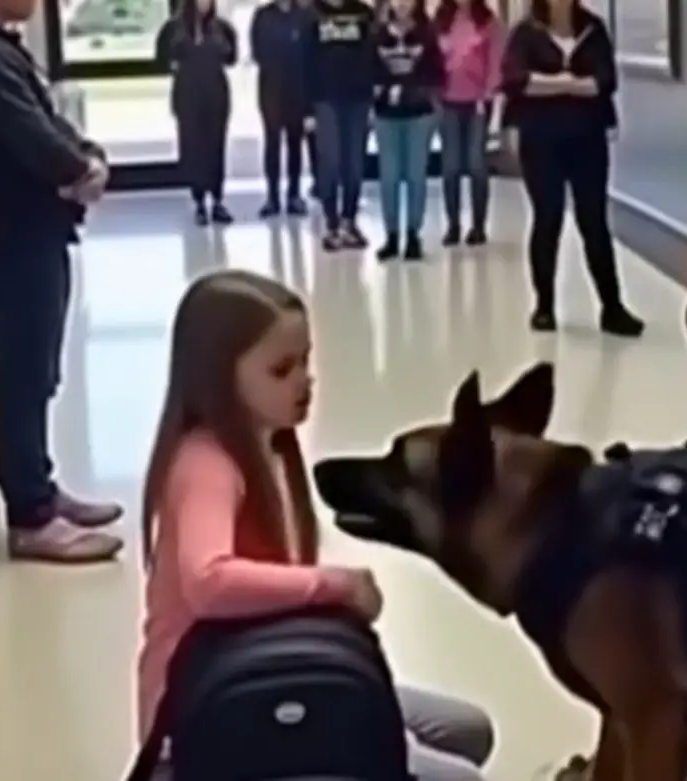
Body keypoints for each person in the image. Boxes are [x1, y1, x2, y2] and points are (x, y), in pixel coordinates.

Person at [138, 270, 495, 781]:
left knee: (467, 729)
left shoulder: (272, 447)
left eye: (306, 362)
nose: (304, 380)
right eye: (281, 369)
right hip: (203, 716)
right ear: (219, 378)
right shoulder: (207, 465)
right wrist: (334, 585)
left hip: (256, 670)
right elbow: (208, 581)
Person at [0, 0, 124, 563]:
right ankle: (31, 517)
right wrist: (79, 170)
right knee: (21, 378)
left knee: (37, 373)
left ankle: (40, 487)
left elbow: (53, 125)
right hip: (8, 239)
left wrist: (84, 158)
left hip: (25, 234)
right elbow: (40, 144)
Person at [500, 0, 643, 338]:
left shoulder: (593, 30)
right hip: (540, 141)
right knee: (547, 218)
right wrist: (573, 83)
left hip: (587, 140)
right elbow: (516, 80)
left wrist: (548, 83)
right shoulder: (526, 32)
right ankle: (545, 306)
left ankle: (612, 307)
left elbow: (605, 81)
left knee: (593, 222)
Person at [372, 0, 445, 261]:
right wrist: (381, 92)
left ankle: (413, 233)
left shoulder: (427, 33)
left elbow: (437, 74)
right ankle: (391, 235)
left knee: (416, 175)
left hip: (419, 114)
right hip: (385, 115)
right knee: (389, 177)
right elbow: (370, 71)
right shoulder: (377, 34)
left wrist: (413, 91)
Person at [155, 0, 238, 225]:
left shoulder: (222, 28)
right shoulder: (173, 29)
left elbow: (232, 57)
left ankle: (218, 199)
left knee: (216, 146)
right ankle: (199, 200)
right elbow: (162, 58)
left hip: (216, 94)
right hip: (188, 95)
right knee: (193, 147)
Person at [434, 0, 504, 247]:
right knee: (450, 165)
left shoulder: (488, 22)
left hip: (477, 102)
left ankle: (478, 225)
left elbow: (496, 64)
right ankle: (453, 225)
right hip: (447, 101)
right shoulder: (441, 21)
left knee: (476, 163)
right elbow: (434, 61)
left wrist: (487, 95)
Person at [309, 0, 377, 251]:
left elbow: (372, 57)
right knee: (331, 161)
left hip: (358, 99)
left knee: (355, 163)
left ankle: (350, 220)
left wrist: (372, 98)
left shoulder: (363, 14)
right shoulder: (313, 15)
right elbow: (305, 61)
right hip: (325, 99)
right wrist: (308, 108)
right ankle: (332, 223)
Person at [251, 0, 317, 218]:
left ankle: (294, 195)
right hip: (271, 89)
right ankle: (272, 196)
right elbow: (257, 51)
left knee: (295, 142)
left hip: (299, 89)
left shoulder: (305, 16)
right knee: (272, 142)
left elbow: (311, 54)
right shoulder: (263, 16)